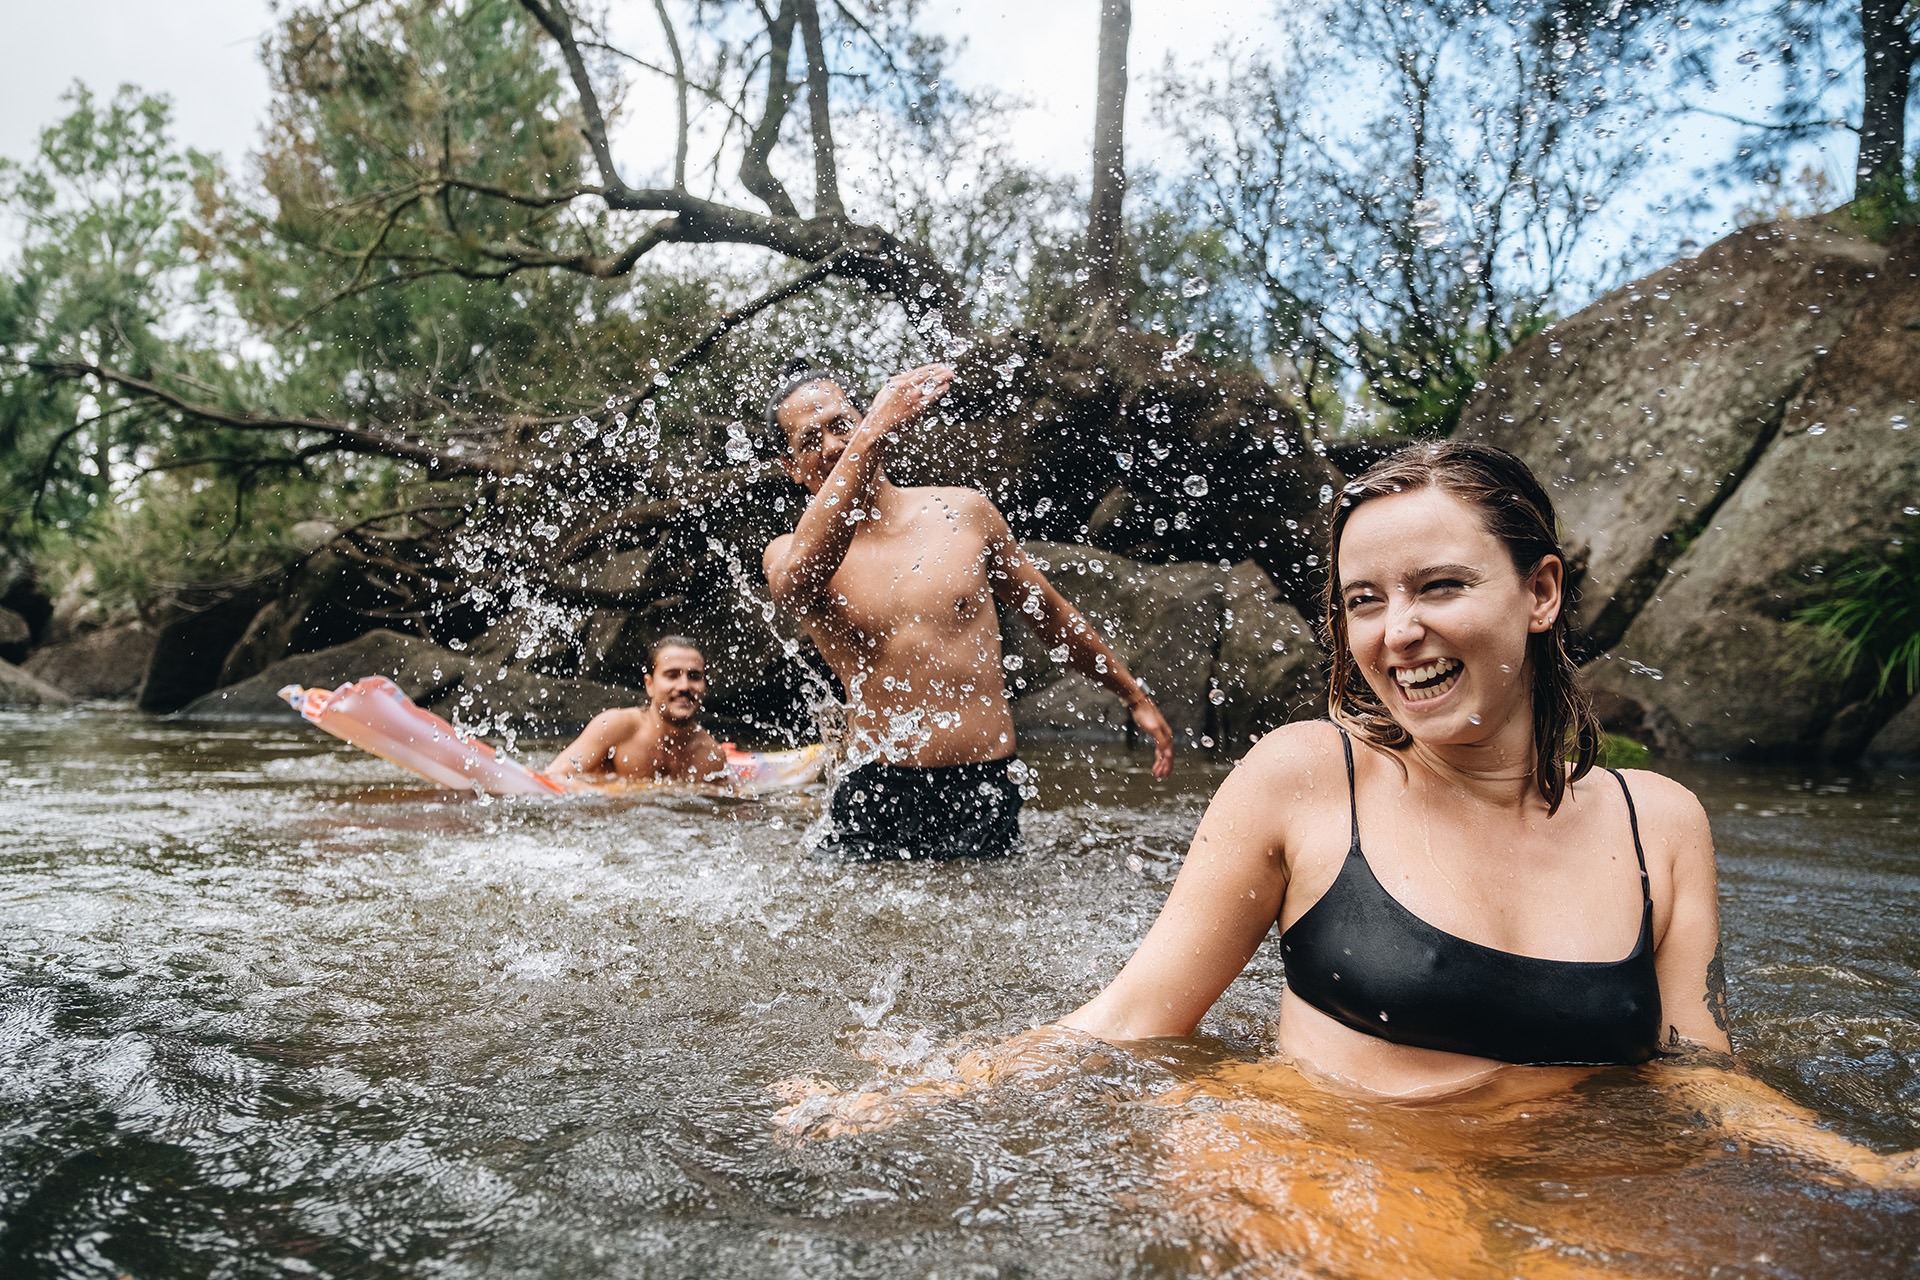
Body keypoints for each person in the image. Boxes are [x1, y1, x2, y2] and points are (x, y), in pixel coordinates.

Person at [1059, 440, 1728, 1095]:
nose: (1398, 632)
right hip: (1334, 1190)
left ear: (1541, 593)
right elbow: (1130, 1021)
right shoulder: (1308, 779)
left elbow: (1702, 1085)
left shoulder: (1659, 825)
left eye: (1439, 586)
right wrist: (962, 1090)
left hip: (1565, 1198)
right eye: (1364, 600)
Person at [761, 358, 1175, 860]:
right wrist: (869, 432)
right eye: (810, 441)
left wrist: (1131, 695)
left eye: (841, 425)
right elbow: (798, 582)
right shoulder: (787, 551)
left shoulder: (962, 513)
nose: (832, 445)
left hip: (982, 787)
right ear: (793, 468)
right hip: (876, 791)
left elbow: (1047, 612)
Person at [544, 636, 731, 785]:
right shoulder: (614, 727)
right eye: (672, 675)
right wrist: (614, 794)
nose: (684, 686)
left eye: (694, 676)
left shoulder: (709, 755)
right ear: (649, 685)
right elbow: (553, 777)